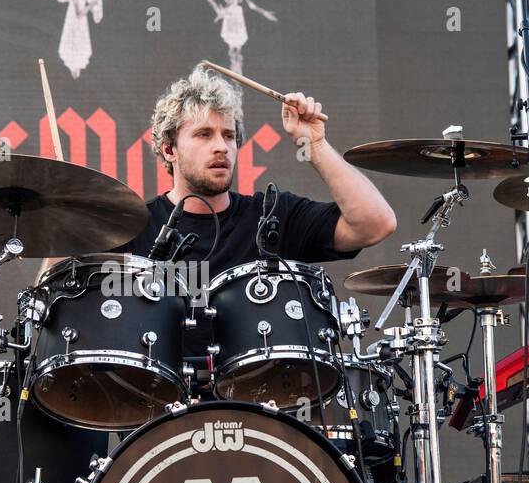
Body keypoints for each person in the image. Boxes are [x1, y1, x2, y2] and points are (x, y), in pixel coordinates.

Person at [38, 65, 397, 363]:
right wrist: (66, 223)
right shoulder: (129, 226)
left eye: (229, 136)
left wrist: (313, 142)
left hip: (261, 408)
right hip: (159, 413)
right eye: (204, 134)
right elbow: (48, 298)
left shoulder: (272, 215)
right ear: (169, 149)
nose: (221, 147)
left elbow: (375, 223)